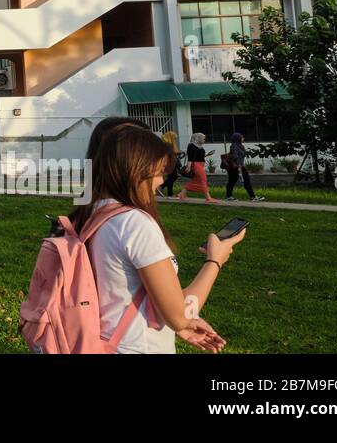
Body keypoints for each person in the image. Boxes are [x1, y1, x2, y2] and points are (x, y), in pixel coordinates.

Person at [69, 126, 246, 354]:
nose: (161, 181)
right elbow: (180, 315)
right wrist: (215, 260)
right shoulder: (133, 223)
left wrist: (177, 323)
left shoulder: (93, 213)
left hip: (104, 342)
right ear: (138, 170)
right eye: (160, 171)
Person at [178, 132, 218, 203]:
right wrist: (189, 166)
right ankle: (208, 198)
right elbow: (190, 156)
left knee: (195, 180)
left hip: (200, 164)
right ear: (198, 138)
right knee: (203, 179)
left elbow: (198, 156)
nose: (204, 140)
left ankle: (182, 194)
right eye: (203, 139)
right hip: (195, 165)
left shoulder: (200, 146)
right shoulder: (191, 145)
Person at [225, 132, 265, 201]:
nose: (243, 138)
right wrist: (239, 168)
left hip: (240, 166)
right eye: (242, 137)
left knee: (244, 181)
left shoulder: (240, 146)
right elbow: (235, 157)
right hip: (236, 167)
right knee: (233, 182)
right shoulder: (234, 146)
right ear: (237, 138)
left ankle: (252, 197)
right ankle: (229, 197)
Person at [159, 130, 181, 197]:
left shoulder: (166, 143)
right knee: (173, 177)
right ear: (170, 137)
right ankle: (168, 191)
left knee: (172, 177)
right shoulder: (167, 144)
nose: (174, 140)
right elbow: (169, 153)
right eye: (174, 138)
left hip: (170, 162)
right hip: (170, 163)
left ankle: (164, 188)